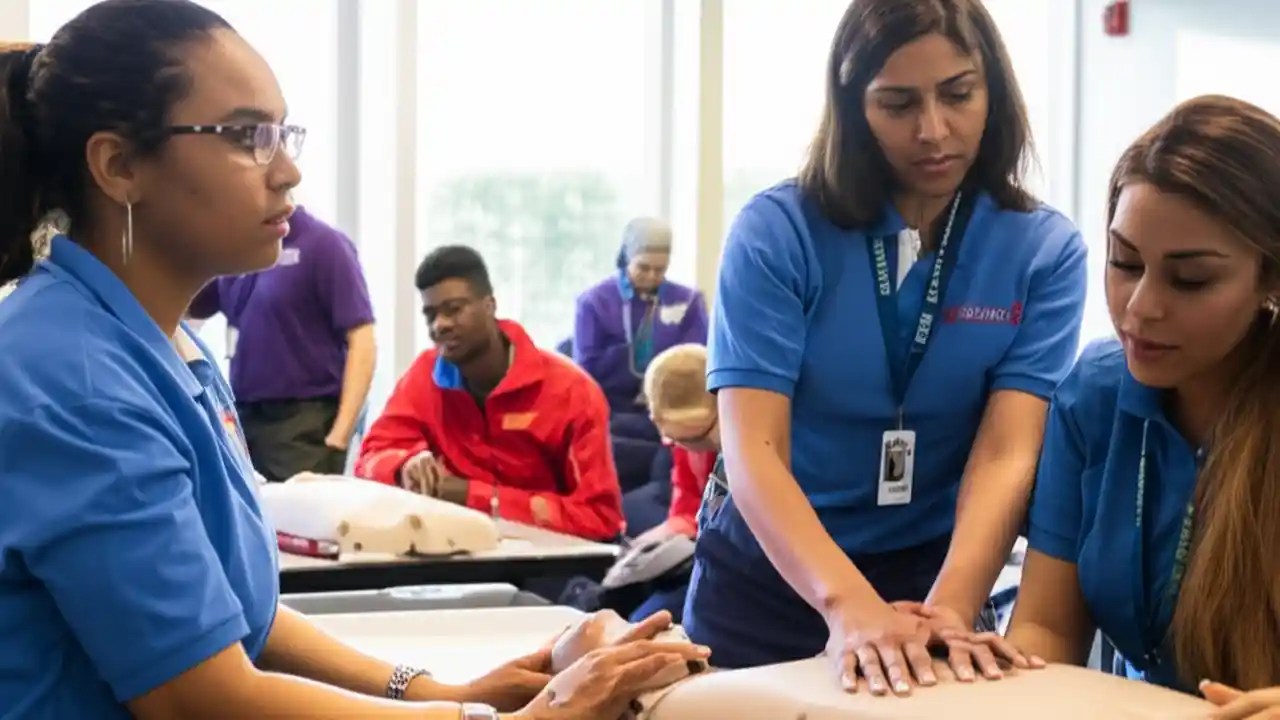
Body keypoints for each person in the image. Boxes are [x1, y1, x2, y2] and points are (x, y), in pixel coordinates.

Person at [0, 3, 705, 718]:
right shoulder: (73, 379)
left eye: (283, 133)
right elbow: (199, 697)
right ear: (119, 165)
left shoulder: (169, 348)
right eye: (248, 136)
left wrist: (440, 692)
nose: (288, 170)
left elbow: (243, 619)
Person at [686, 0, 1085, 696]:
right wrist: (848, 607)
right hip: (773, 571)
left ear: (994, 88)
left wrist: (952, 609)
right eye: (897, 104)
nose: (933, 131)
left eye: (959, 94)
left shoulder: (1041, 250)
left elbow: (1005, 451)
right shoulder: (778, 233)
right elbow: (756, 449)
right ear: (852, 108)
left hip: (931, 575)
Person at [1005, 95, 1280, 718]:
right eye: (1125, 262)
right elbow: (1045, 632)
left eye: (1191, 280)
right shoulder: (1094, 396)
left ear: (1270, 278)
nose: (1140, 308)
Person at [356, 245, 625, 542]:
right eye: (430, 314)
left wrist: (475, 497)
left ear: (490, 305)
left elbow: (601, 518)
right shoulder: (425, 374)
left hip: (548, 558)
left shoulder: (571, 391)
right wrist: (404, 464)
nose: (439, 325)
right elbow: (369, 458)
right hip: (457, 553)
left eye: (454, 309)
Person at [187, 205, 377, 481]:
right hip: (244, 418)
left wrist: (339, 437)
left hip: (302, 424)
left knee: (297, 520)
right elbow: (189, 305)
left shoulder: (323, 245)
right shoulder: (239, 250)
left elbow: (362, 339)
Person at [573, 217, 709, 493]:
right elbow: (586, 369)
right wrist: (638, 359)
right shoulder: (594, 303)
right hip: (614, 416)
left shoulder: (688, 302)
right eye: (643, 267)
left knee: (675, 454)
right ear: (625, 258)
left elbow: (695, 363)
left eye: (660, 269)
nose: (651, 277)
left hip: (667, 415)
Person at [619, 343, 719, 622]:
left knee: (647, 621)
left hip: (726, 558)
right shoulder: (682, 445)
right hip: (696, 546)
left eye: (701, 438)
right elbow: (685, 503)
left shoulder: (742, 441)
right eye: (679, 440)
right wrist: (659, 538)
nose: (693, 447)